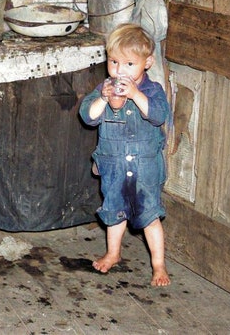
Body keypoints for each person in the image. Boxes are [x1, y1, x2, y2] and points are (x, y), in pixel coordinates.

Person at [80, 23, 171, 287]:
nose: (119, 70)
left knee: (150, 216)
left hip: (145, 169)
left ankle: (158, 264)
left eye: (129, 64)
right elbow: (88, 117)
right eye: (114, 62)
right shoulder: (104, 89)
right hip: (114, 166)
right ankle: (113, 253)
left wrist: (135, 94)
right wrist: (103, 100)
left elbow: (157, 115)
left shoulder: (152, 91)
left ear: (147, 63)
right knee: (114, 212)